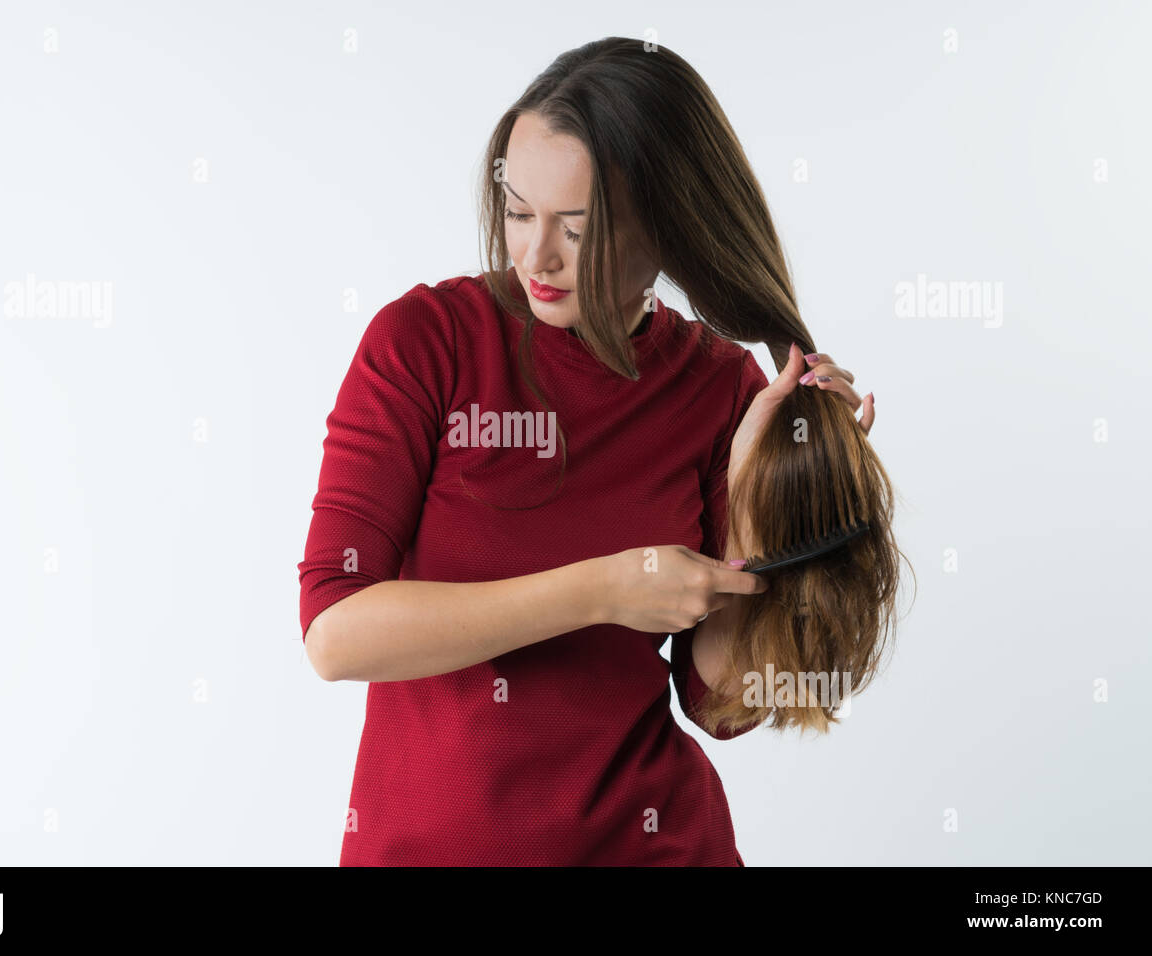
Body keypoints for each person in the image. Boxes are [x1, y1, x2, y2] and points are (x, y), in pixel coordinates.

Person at [298, 37, 877, 866]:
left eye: (578, 228)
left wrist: (759, 504)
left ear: (668, 226)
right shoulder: (426, 344)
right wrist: (605, 588)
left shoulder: (722, 390)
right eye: (518, 212)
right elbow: (336, 631)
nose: (535, 255)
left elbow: (720, 708)